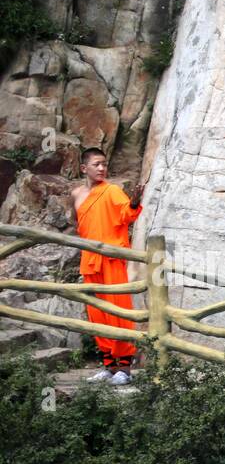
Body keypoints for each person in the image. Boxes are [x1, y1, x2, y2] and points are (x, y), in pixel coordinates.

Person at [72, 147, 143, 385]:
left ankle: (124, 368)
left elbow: (127, 215)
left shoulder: (112, 190)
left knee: (118, 311)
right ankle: (108, 365)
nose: (102, 168)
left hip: (111, 260)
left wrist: (133, 203)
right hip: (89, 261)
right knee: (97, 313)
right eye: (96, 164)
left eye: (104, 164)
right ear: (84, 168)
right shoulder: (77, 195)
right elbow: (82, 226)